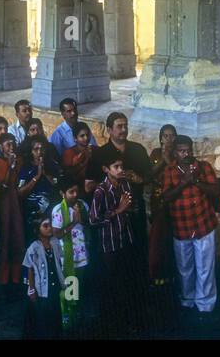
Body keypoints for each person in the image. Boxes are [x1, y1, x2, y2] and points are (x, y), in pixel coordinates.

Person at [160, 136, 220, 314]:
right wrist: (184, 182)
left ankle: (205, 304)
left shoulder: (203, 167)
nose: (186, 154)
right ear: (175, 153)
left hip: (204, 226)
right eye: (181, 151)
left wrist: (196, 181)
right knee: (185, 268)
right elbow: (167, 197)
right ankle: (187, 299)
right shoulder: (169, 171)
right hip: (181, 228)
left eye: (188, 150)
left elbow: (216, 191)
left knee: (205, 268)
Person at [85, 112, 152, 254]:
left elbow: (149, 176)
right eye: (119, 126)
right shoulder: (99, 154)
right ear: (109, 130)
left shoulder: (138, 150)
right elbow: (88, 186)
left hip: (135, 210)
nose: (124, 130)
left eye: (125, 126)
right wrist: (110, 182)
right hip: (110, 216)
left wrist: (139, 179)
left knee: (138, 251)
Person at [89, 155, 137, 332]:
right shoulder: (100, 191)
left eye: (121, 166)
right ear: (106, 169)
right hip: (109, 244)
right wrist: (118, 211)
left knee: (125, 282)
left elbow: (131, 207)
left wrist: (129, 209)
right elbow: (93, 220)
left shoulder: (124, 184)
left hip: (126, 239)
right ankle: (109, 324)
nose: (120, 169)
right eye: (115, 166)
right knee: (110, 285)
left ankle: (125, 321)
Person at [50, 176, 91, 332]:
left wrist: (82, 218)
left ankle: (75, 314)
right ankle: (67, 317)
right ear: (63, 193)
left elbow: (88, 224)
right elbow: (57, 234)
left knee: (78, 285)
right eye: (71, 192)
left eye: (76, 191)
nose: (75, 195)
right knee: (68, 286)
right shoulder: (58, 210)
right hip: (66, 255)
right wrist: (74, 222)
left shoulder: (82, 205)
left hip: (81, 253)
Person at [0, 131, 26, 293]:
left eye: (13, 144)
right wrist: (10, 167)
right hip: (4, 206)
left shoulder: (20, 161)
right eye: (8, 144)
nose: (11, 147)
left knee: (18, 240)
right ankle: (4, 281)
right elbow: (1, 187)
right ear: (1, 147)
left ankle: (16, 279)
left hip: (17, 205)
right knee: (5, 240)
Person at [147, 124, 178, 286]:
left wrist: (169, 159)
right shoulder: (156, 153)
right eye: (165, 136)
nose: (169, 139)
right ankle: (157, 273)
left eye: (172, 135)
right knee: (158, 236)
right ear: (160, 139)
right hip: (158, 200)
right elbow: (149, 173)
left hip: (175, 198)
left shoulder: (179, 153)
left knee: (172, 236)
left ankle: (172, 272)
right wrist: (163, 160)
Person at [22, 215, 62, 338]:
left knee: (55, 311)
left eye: (50, 225)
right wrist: (32, 289)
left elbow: (58, 262)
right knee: (43, 315)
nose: (49, 228)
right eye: (45, 226)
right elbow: (30, 269)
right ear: (37, 230)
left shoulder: (55, 242)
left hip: (54, 284)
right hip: (41, 288)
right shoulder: (33, 247)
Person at [18, 137, 57, 243]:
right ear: (31, 151)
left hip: (50, 211)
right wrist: (37, 176)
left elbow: (58, 185)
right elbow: (20, 192)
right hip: (32, 213)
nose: (40, 152)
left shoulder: (52, 165)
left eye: (42, 148)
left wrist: (44, 173)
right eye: (36, 149)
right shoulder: (25, 167)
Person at [61, 122, 94, 192]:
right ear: (75, 138)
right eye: (82, 136)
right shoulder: (69, 153)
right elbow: (68, 175)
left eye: (87, 135)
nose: (86, 138)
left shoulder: (95, 150)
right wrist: (86, 161)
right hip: (75, 189)